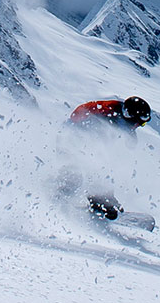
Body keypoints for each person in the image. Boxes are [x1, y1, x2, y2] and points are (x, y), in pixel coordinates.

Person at [63, 96, 152, 224]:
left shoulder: (123, 119)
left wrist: (130, 140)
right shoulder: (106, 114)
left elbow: (125, 130)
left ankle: (103, 199)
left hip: (83, 143)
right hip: (69, 140)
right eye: (140, 122)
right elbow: (81, 115)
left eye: (143, 123)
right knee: (76, 171)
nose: (140, 126)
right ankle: (58, 199)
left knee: (102, 167)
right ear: (130, 116)